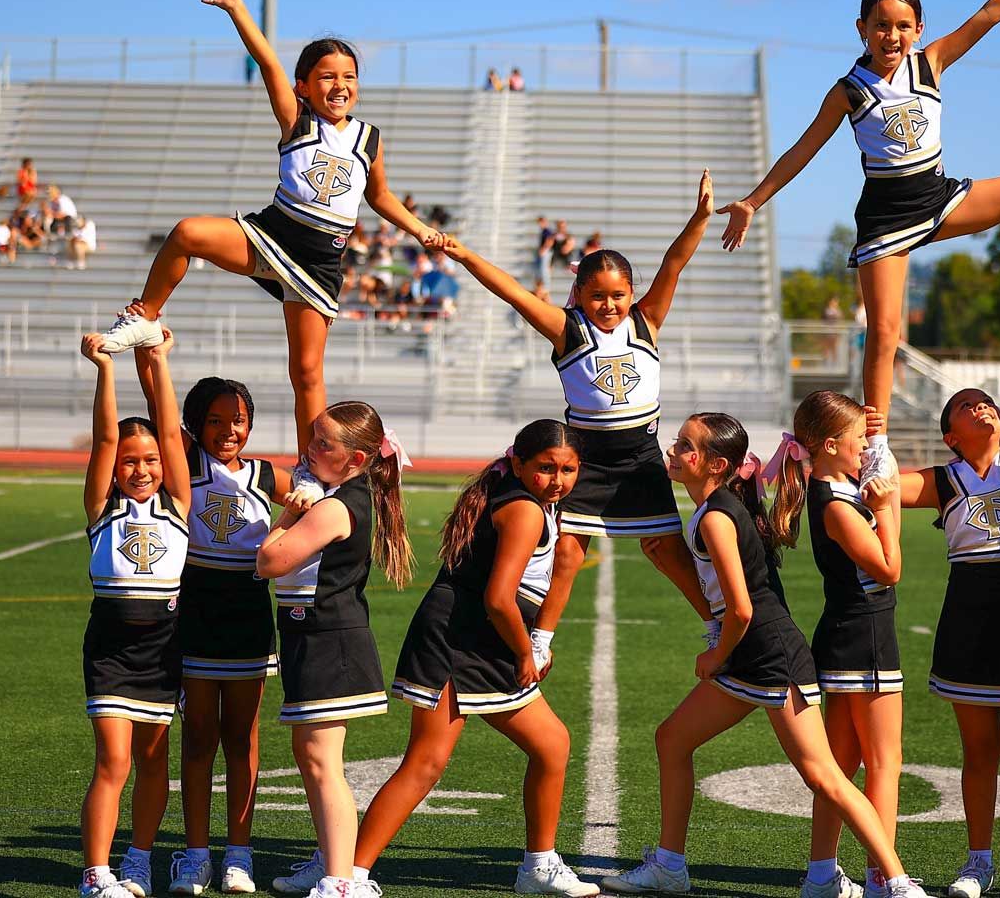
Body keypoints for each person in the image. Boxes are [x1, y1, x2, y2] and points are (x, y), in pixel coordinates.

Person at [715, 0, 1000, 492]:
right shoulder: (849, 91)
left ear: (919, 29)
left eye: (902, 26)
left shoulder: (931, 62)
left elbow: (990, 14)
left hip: (939, 197)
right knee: (884, 334)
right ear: (862, 29)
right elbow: (803, 150)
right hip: (887, 218)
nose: (891, 35)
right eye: (881, 25)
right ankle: (874, 447)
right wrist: (753, 201)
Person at [92, 0, 444, 455]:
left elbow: (380, 197)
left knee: (307, 373)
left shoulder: (369, 139)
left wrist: (421, 230)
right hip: (272, 235)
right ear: (303, 86)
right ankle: (145, 317)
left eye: (348, 77)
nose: (339, 85)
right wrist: (237, 9)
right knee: (188, 233)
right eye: (327, 76)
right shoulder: (297, 120)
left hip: (320, 262)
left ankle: (311, 468)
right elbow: (268, 61)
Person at [602, 413, 925, 898]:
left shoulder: (716, 517)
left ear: (715, 464)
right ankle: (669, 865)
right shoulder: (714, 508)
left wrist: (715, 656)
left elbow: (741, 609)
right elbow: (725, 600)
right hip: (750, 657)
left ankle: (896, 882)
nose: (673, 451)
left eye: (686, 445)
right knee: (672, 739)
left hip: (771, 658)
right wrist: (674, 569)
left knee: (826, 777)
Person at [438, 171, 720, 633]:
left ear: (632, 294)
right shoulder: (567, 329)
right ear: (581, 295)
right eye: (597, 296)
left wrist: (701, 217)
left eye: (618, 296)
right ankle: (541, 638)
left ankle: (714, 626)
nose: (609, 305)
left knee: (665, 549)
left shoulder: (646, 321)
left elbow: (674, 263)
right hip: (586, 458)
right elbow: (512, 292)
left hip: (640, 456)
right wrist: (466, 255)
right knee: (567, 554)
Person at [354, 421, 598, 896]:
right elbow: (499, 599)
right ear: (519, 464)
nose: (558, 479)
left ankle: (538, 866)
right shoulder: (524, 510)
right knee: (425, 763)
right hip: (458, 639)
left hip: (483, 639)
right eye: (546, 468)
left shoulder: (534, 499)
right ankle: (347, 874)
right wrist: (526, 652)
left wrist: (534, 642)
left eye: (568, 470)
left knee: (552, 745)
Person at [896, 358, 1000, 898]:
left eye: (986, 402)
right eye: (967, 406)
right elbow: (878, 484)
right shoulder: (943, 480)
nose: (981, 407)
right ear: (951, 437)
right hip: (968, 620)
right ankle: (978, 862)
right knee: (979, 751)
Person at [132, 367, 294, 896]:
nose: (229, 431)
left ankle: (239, 855)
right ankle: (196, 855)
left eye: (239, 420)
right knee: (199, 737)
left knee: (242, 739)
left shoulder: (266, 475)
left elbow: (316, 491)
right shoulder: (187, 463)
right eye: (216, 421)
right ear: (196, 425)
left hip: (249, 618)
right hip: (197, 615)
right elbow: (160, 412)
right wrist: (155, 356)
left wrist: (312, 498)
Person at [256, 402, 414, 898]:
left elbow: (268, 560)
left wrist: (291, 508)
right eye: (313, 438)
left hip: (329, 641)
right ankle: (330, 860)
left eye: (324, 444)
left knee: (323, 763)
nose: (311, 450)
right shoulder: (341, 495)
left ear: (356, 459)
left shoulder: (334, 507)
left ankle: (340, 881)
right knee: (311, 757)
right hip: (312, 637)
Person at [767, 392, 902, 898]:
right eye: (858, 440)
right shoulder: (838, 505)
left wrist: (875, 437)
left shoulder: (834, 489)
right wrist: (885, 508)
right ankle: (882, 879)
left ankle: (821, 874)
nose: (865, 448)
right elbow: (889, 570)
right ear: (829, 445)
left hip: (846, 635)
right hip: (866, 637)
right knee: (883, 763)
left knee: (840, 765)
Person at [76, 328, 190, 898]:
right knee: (113, 761)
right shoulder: (102, 506)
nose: (141, 469)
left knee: (152, 762)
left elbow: (169, 432)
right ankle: (96, 875)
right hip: (111, 650)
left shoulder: (178, 505)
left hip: (163, 650)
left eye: (150, 461)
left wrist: (160, 362)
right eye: (129, 461)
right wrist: (106, 368)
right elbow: (103, 439)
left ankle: (139, 858)